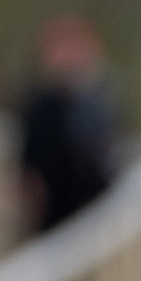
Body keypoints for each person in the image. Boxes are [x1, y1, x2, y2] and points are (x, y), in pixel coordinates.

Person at [17, 15, 118, 235]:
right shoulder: (38, 102)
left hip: (94, 209)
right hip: (52, 214)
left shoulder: (101, 99)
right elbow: (28, 156)